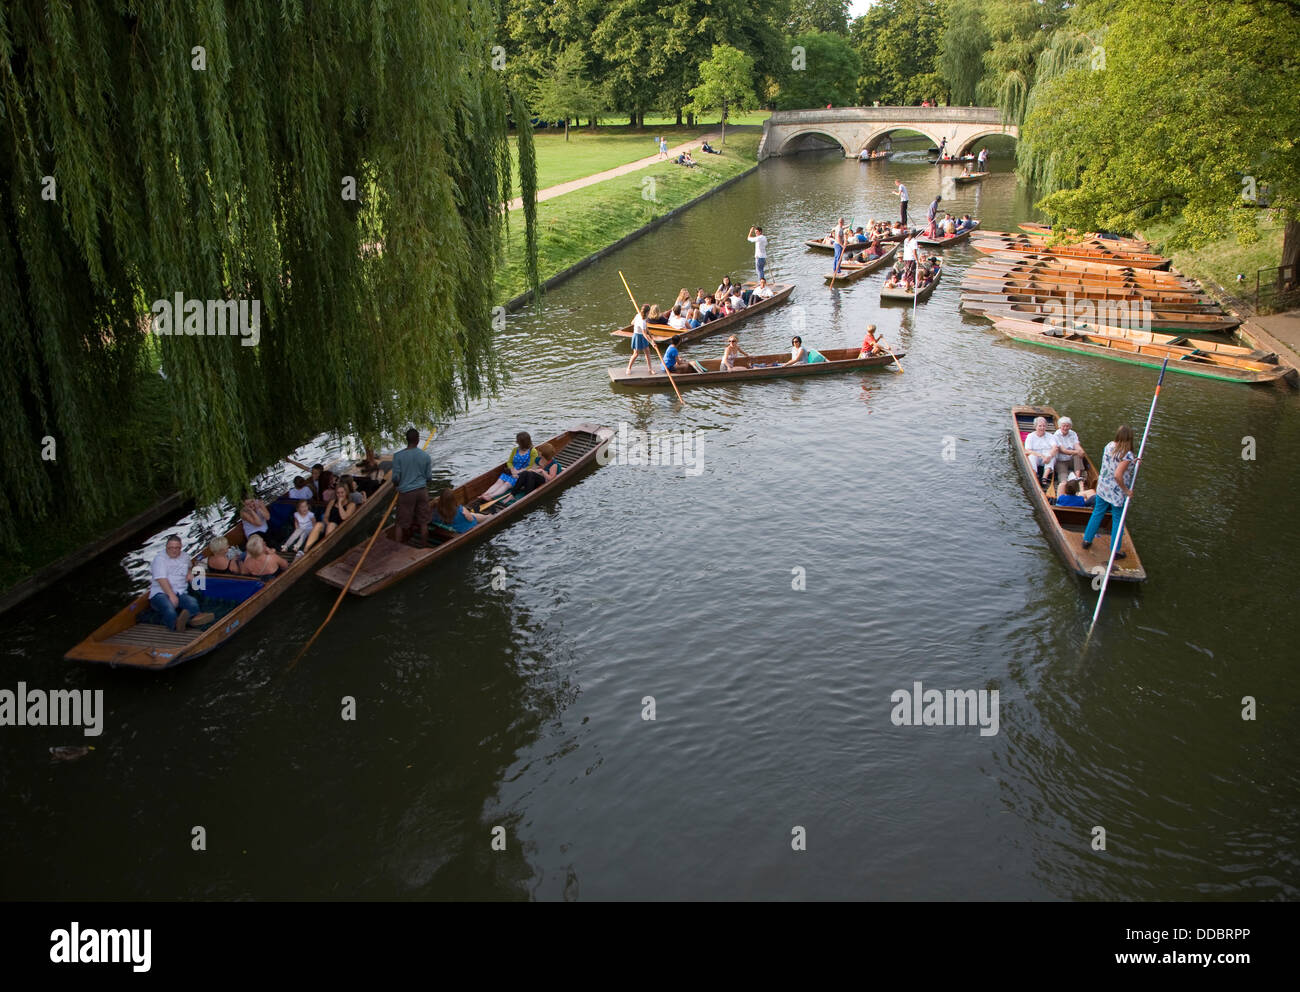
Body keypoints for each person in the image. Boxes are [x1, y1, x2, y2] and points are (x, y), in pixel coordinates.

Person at [1082, 425, 1139, 559]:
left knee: (1098, 512)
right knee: (1118, 520)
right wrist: (1127, 491)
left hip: (1103, 488)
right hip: (1116, 492)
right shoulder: (1127, 454)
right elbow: (1118, 474)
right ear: (1130, 439)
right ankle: (1115, 550)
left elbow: (1116, 463)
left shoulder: (1109, 446)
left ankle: (1087, 540)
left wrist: (1133, 463)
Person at [149, 534, 214, 631]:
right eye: (171, 548)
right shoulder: (159, 559)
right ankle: (175, 626)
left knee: (193, 603)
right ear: (166, 547)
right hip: (161, 593)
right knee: (169, 609)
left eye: (177, 548)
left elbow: (188, 568)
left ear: (180, 547)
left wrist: (189, 574)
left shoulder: (185, 557)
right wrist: (171, 595)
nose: (174, 550)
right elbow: (161, 579)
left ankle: (190, 619)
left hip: (180, 591)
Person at [392, 426, 433, 547]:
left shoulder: (398, 456)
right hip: (421, 492)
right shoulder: (425, 456)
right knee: (423, 522)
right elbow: (429, 477)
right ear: (418, 440)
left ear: (407, 440)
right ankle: (424, 546)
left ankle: (397, 548)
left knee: (400, 523)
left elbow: (395, 478)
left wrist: (396, 486)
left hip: (406, 493)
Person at [481, 432, 542, 501]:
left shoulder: (533, 451)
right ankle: (485, 494)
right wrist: (512, 470)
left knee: (507, 484)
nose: (516, 442)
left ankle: (491, 496)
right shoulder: (515, 450)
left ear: (522, 443)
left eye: (518, 441)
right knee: (499, 481)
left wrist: (518, 472)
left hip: (522, 474)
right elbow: (509, 462)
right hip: (512, 471)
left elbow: (531, 466)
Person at [1023, 417, 1059, 487]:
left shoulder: (1050, 436)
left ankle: (1044, 477)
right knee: (1031, 456)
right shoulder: (1030, 436)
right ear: (1035, 427)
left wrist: (1049, 456)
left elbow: (1055, 448)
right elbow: (1028, 451)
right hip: (1037, 457)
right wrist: (1041, 455)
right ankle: (1034, 475)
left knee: (1052, 456)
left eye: (1044, 426)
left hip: (1046, 459)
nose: (1042, 428)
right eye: (1040, 426)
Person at [1050, 416, 1086, 482]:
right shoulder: (1056, 436)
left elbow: (1076, 445)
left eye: (1067, 426)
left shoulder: (1073, 433)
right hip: (1061, 461)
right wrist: (1077, 452)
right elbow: (1064, 451)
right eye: (1063, 426)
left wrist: (1081, 451)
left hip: (1071, 460)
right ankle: (1064, 483)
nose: (1065, 428)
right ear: (1059, 426)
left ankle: (1077, 477)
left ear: (1070, 426)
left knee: (1077, 456)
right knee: (1063, 478)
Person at [627, 303, 654, 374]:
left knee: (647, 351)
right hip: (638, 336)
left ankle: (650, 369)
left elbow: (632, 322)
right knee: (636, 354)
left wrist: (649, 333)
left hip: (642, 335)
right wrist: (652, 342)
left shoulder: (638, 315)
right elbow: (644, 334)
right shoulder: (642, 321)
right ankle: (628, 368)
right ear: (647, 312)